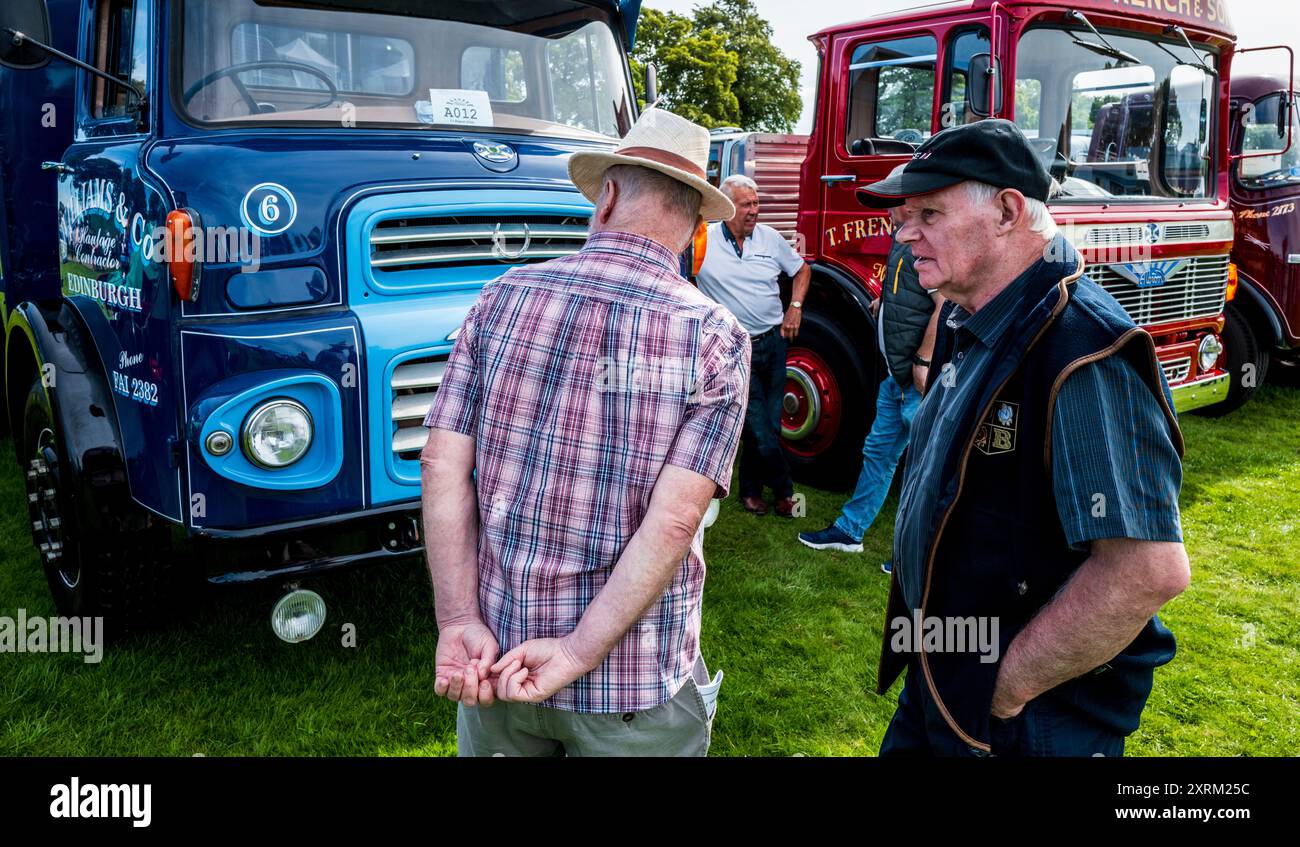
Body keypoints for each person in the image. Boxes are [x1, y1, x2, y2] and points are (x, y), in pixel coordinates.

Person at [420, 108, 750, 756]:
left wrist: (457, 619)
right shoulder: (717, 335)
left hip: (499, 655)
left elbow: (440, 463)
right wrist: (576, 652)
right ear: (692, 226)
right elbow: (676, 523)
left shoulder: (500, 296)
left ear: (608, 197)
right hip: (633, 684)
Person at [859, 119, 1190, 757]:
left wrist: (1006, 687)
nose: (904, 235)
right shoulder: (972, 314)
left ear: (1009, 211)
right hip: (947, 669)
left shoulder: (1083, 347)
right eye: (904, 216)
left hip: (1021, 715)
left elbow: (1146, 571)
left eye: (928, 211)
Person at [798, 172, 941, 563]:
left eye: (888, 200)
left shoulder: (925, 240)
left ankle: (922, 554)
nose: (885, 207)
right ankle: (850, 531)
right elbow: (907, 293)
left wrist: (925, 361)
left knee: (930, 467)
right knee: (879, 452)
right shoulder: (903, 238)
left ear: (905, 202)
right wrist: (884, 308)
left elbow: (944, 302)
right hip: (896, 376)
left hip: (916, 378)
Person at [695, 174, 811, 517]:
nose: (754, 211)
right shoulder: (704, 241)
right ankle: (785, 493)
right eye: (746, 204)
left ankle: (749, 491)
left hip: (774, 344)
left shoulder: (771, 239)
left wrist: (796, 307)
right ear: (728, 206)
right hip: (735, 348)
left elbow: (802, 271)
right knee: (759, 427)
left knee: (770, 426)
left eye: (756, 203)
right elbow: (683, 276)